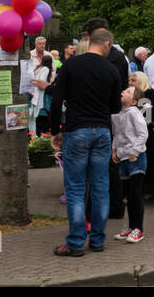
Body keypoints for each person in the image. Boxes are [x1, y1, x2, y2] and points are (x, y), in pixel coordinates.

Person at [50, 26, 122, 256]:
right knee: (101, 187)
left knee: (75, 188)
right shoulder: (112, 70)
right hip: (101, 131)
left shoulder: (71, 64)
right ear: (107, 44)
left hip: (76, 130)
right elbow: (115, 107)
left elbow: (56, 99)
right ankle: (98, 240)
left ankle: (75, 242)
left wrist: (55, 131)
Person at [111, 86, 148, 244]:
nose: (123, 92)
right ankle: (131, 227)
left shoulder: (134, 113)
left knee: (135, 194)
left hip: (135, 159)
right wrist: (114, 150)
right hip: (123, 159)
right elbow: (117, 135)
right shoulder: (117, 115)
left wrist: (135, 151)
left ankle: (138, 229)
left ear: (133, 101)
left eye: (128, 92)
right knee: (127, 196)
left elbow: (143, 133)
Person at [29, 51, 54, 136]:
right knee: (44, 115)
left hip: (36, 94)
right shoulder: (46, 69)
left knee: (37, 119)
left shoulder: (38, 68)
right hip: (43, 95)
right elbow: (42, 82)